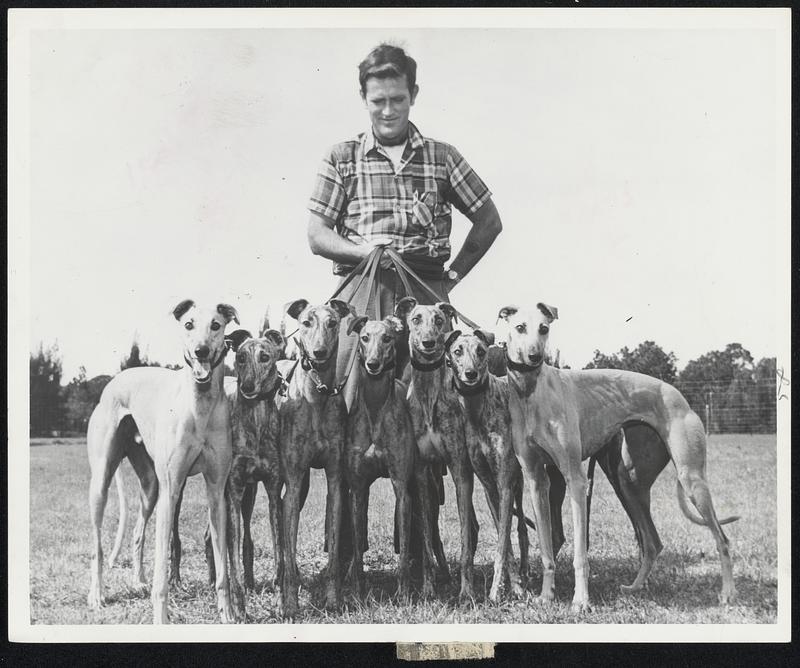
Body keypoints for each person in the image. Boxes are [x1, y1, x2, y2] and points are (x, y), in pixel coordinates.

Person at [306, 42, 503, 578]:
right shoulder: (342, 157)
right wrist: (363, 250)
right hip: (362, 293)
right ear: (364, 99)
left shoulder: (442, 156)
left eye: (397, 98)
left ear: (413, 94)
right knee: (350, 418)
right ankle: (343, 557)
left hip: (424, 297)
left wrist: (453, 276)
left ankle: (419, 557)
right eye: (378, 101)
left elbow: (489, 220)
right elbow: (317, 234)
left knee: (427, 419)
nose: (388, 110)